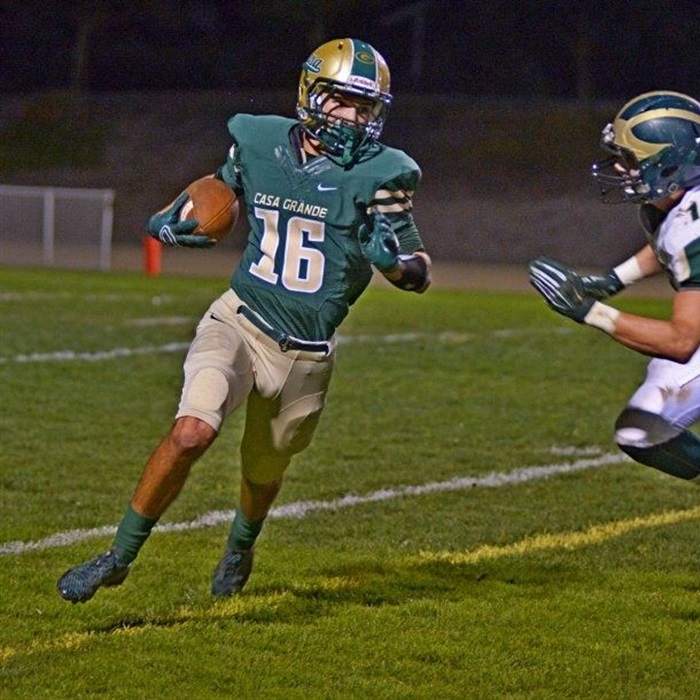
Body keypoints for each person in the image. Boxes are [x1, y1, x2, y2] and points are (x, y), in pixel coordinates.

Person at [57, 38, 431, 603]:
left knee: (262, 471)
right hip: (238, 318)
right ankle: (118, 557)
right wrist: (171, 217)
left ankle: (241, 543)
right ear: (311, 94)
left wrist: (394, 264)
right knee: (191, 432)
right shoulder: (259, 141)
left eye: (365, 107)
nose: (353, 118)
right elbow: (217, 190)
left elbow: (419, 269)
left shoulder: (382, 173)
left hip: (304, 352)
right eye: (342, 101)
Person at [528, 90, 700, 484]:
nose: (622, 169)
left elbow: (681, 341)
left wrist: (590, 311)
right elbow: (668, 248)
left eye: (632, 159)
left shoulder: (693, 221)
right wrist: (613, 280)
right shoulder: (679, 207)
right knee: (641, 431)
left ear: (670, 161)